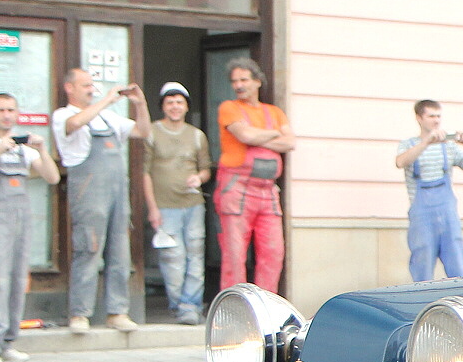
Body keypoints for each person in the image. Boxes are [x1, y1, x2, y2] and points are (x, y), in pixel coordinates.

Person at [0, 93, 60, 362]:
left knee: (18, 280)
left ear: (17, 113)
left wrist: (42, 149)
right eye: (1, 110)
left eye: (10, 110)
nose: (6, 115)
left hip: (21, 219)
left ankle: (8, 342)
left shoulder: (23, 147)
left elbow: (52, 177)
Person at [55, 66, 151, 332]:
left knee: (120, 251)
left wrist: (140, 104)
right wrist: (108, 99)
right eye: (85, 85)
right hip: (89, 192)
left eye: (92, 85)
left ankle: (117, 312)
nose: (91, 89)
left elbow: (142, 131)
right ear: (69, 88)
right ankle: (80, 314)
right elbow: (75, 124)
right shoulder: (63, 115)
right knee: (89, 247)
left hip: (117, 192)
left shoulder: (108, 118)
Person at [215, 59, 292, 293]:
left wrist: (259, 137)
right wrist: (274, 134)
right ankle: (234, 307)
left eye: (244, 80)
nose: (238, 85)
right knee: (234, 255)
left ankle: (266, 306)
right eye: (234, 81)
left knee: (273, 253)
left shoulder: (274, 112)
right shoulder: (229, 108)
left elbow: (289, 142)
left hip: (268, 192)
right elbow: (245, 136)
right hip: (237, 188)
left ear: (257, 81)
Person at [143, 82, 212, 324]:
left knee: (195, 255)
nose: (175, 107)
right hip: (165, 206)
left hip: (193, 204)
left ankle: (191, 305)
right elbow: (144, 173)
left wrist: (199, 178)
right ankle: (177, 305)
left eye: (179, 102)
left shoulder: (197, 135)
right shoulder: (151, 132)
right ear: (162, 106)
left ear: (186, 106)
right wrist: (152, 208)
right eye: (170, 102)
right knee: (172, 259)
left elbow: (206, 169)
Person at [396, 99, 463, 280]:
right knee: (422, 264)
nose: (436, 120)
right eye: (431, 116)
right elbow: (400, 162)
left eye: (438, 116)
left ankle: (460, 295)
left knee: (457, 264)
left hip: (447, 213)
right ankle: (422, 296)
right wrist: (426, 143)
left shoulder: (448, 146)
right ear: (419, 118)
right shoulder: (409, 144)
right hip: (422, 216)